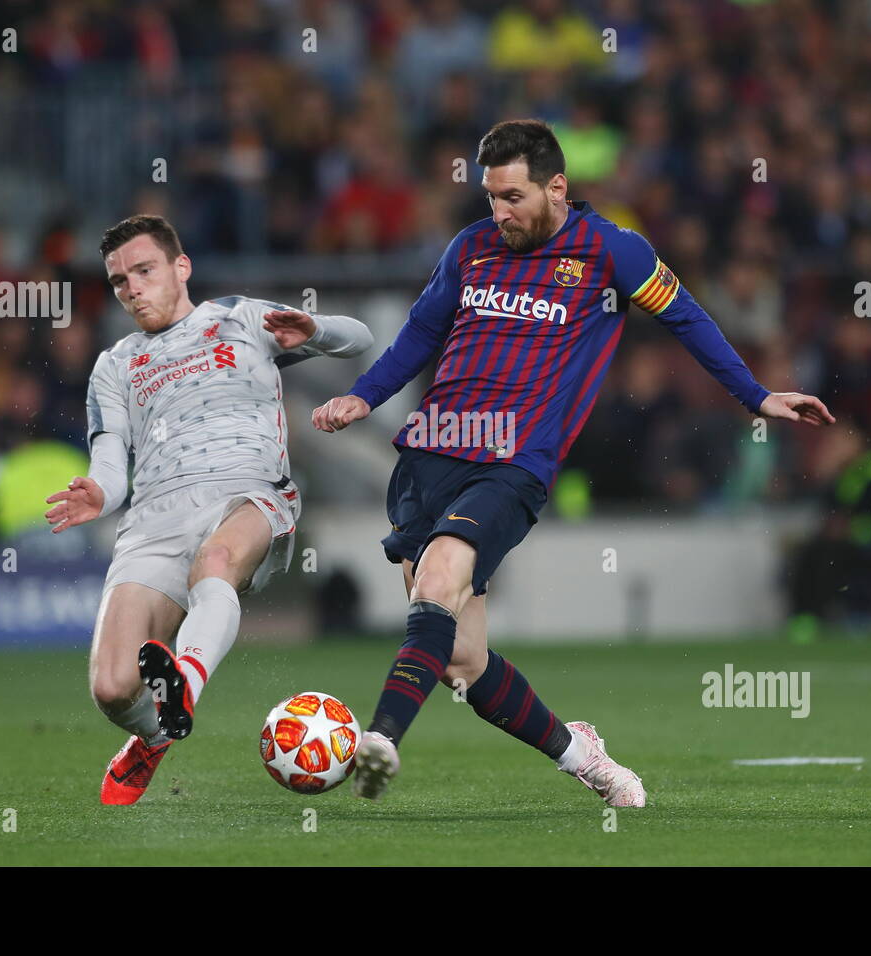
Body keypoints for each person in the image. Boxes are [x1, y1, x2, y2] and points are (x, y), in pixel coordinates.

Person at [312, 120, 834, 806]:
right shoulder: (470, 248)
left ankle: (380, 739)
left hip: (511, 463)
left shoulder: (610, 252)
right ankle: (580, 753)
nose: (499, 214)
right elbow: (420, 334)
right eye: (491, 198)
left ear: (557, 186)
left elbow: (687, 318)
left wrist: (755, 395)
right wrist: (362, 395)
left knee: (439, 577)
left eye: (513, 198)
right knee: (461, 660)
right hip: (430, 456)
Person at [45, 214, 372, 805]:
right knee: (113, 687)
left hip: (247, 493)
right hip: (153, 518)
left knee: (216, 560)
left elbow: (360, 339)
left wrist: (315, 328)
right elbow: (111, 460)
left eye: (144, 271)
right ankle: (154, 734)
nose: (132, 288)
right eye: (120, 281)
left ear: (180, 266)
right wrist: (100, 492)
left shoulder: (241, 318)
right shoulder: (114, 364)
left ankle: (185, 685)